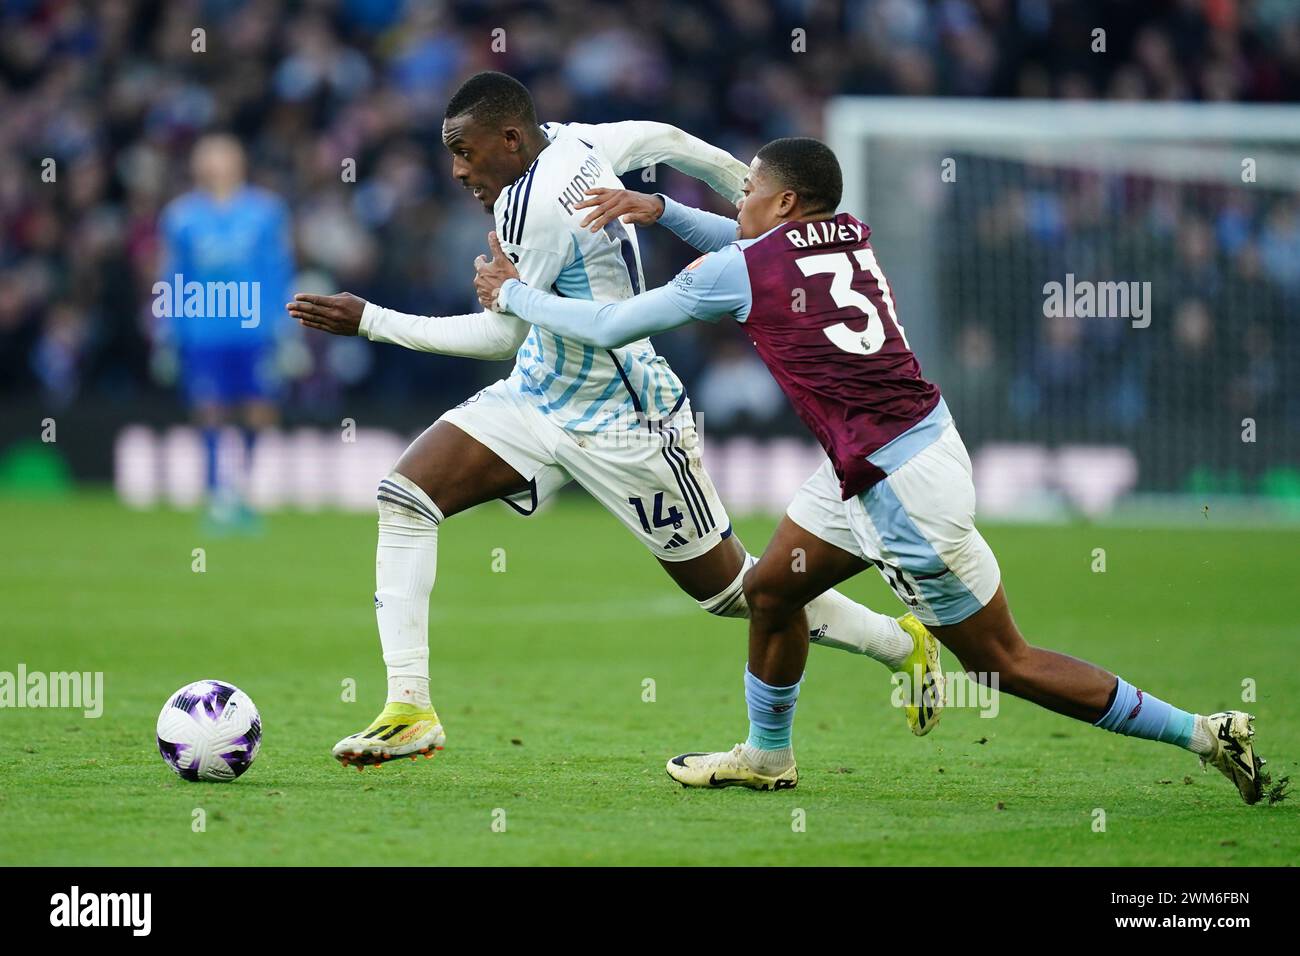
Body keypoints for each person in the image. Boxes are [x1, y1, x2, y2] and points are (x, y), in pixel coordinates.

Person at [471, 136, 1270, 803]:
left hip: (899, 492)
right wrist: (664, 211)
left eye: (747, 189)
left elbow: (613, 322)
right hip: (889, 455)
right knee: (773, 591)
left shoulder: (744, 266)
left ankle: (1204, 733)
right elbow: (745, 252)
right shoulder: (845, 233)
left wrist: (516, 296)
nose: (739, 201)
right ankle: (768, 755)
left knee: (999, 662)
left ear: (783, 203)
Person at [286, 74, 943, 769]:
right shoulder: (579, 141)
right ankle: (410, 707)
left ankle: (900, 643)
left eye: (465, 151)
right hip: (540, 393)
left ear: (510, 139)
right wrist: (738, 188)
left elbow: (498, 334)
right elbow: (667, 140)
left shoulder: (536, 208)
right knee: (406, 497)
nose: (456, 169)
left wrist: (372, 321)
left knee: (730, 593)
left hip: (628, 420)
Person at [157, 134, 294, 528]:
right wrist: (168, 330)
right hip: (203, 331)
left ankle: (244, 491)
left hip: (254, 330)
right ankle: (217, 494)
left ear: (238, 163)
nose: (215, 166)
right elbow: (174, 275)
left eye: (223, 158)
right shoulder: (180, 216)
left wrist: (285, 327)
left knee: (258, 409)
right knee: (210, 410)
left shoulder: (266, 211)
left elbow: (277, 270)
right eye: (208, 159)